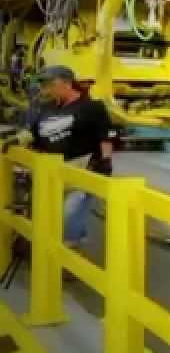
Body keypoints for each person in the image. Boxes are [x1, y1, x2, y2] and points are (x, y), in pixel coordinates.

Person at [29, 66, 114, 249]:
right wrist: (18, 140)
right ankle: (49, 253)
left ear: (67, 83)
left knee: (69, 214)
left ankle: (69, 255)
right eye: (44, 84)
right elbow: (33, 134)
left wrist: (105, 161)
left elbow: (105, 135)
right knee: (46, 214)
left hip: (80, 168)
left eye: (50, 83)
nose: (46, 88)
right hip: (51, 169)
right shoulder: (46, 108)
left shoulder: (92, 107)